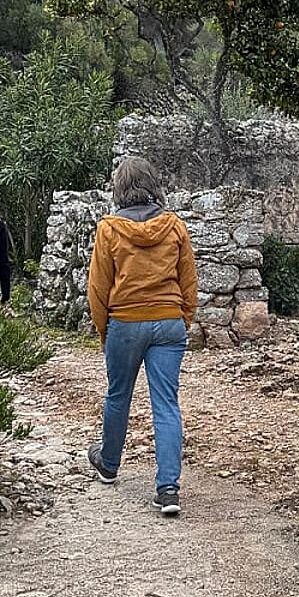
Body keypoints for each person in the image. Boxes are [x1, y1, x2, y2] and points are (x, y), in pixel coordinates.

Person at [85, 156, 197, 516]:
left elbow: (98, 288)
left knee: (118, 394)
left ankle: (109, 463)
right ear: (153, 184)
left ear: (119, 187)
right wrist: (184, 319)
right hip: (169, 321)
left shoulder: (109, 229)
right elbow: (188, 282)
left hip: (126, 321)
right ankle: (168, 490)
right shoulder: (175, 226)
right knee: (166, 403)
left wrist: (105, 331)